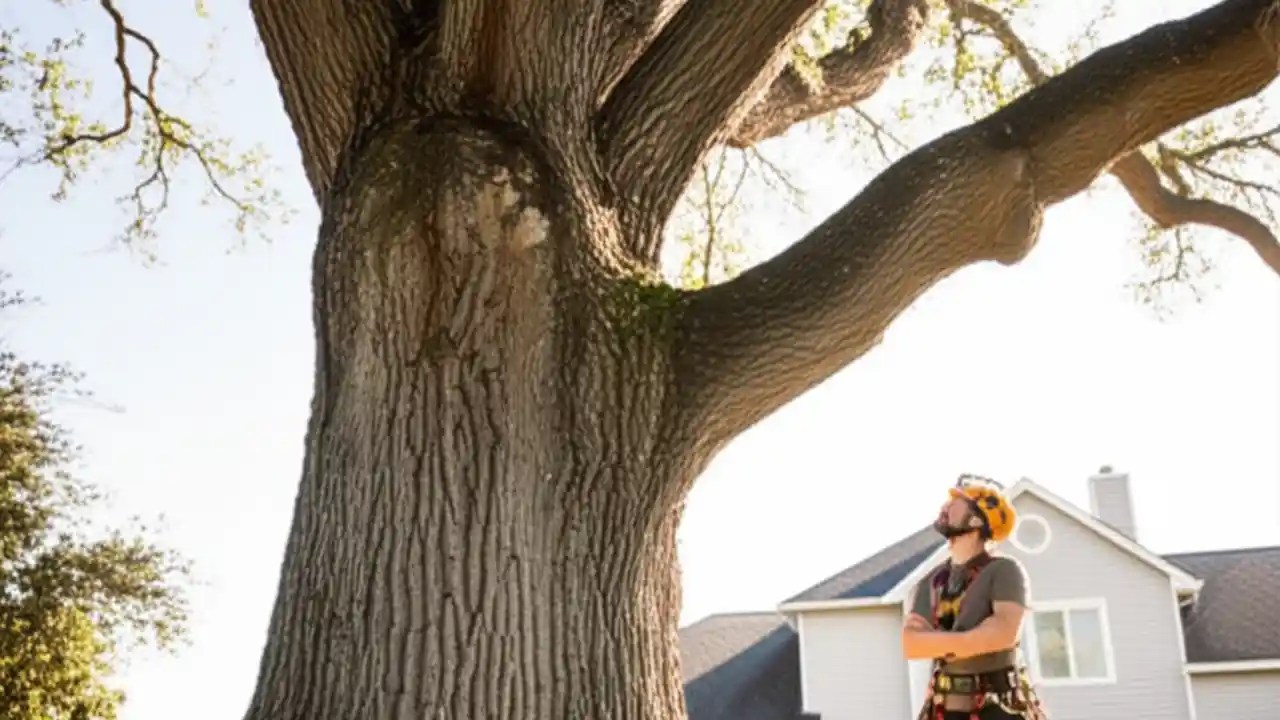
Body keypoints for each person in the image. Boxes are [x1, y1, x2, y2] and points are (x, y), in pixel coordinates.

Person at [902, 474, 1049, 720]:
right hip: (945, 710)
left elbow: (1001, 635)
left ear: (976, 519)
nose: (945, 506)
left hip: (998, 709)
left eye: (957, 501)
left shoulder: (1004, 570)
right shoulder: (930, 581)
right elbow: (912, 644)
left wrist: (937, 641)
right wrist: (970, 640)